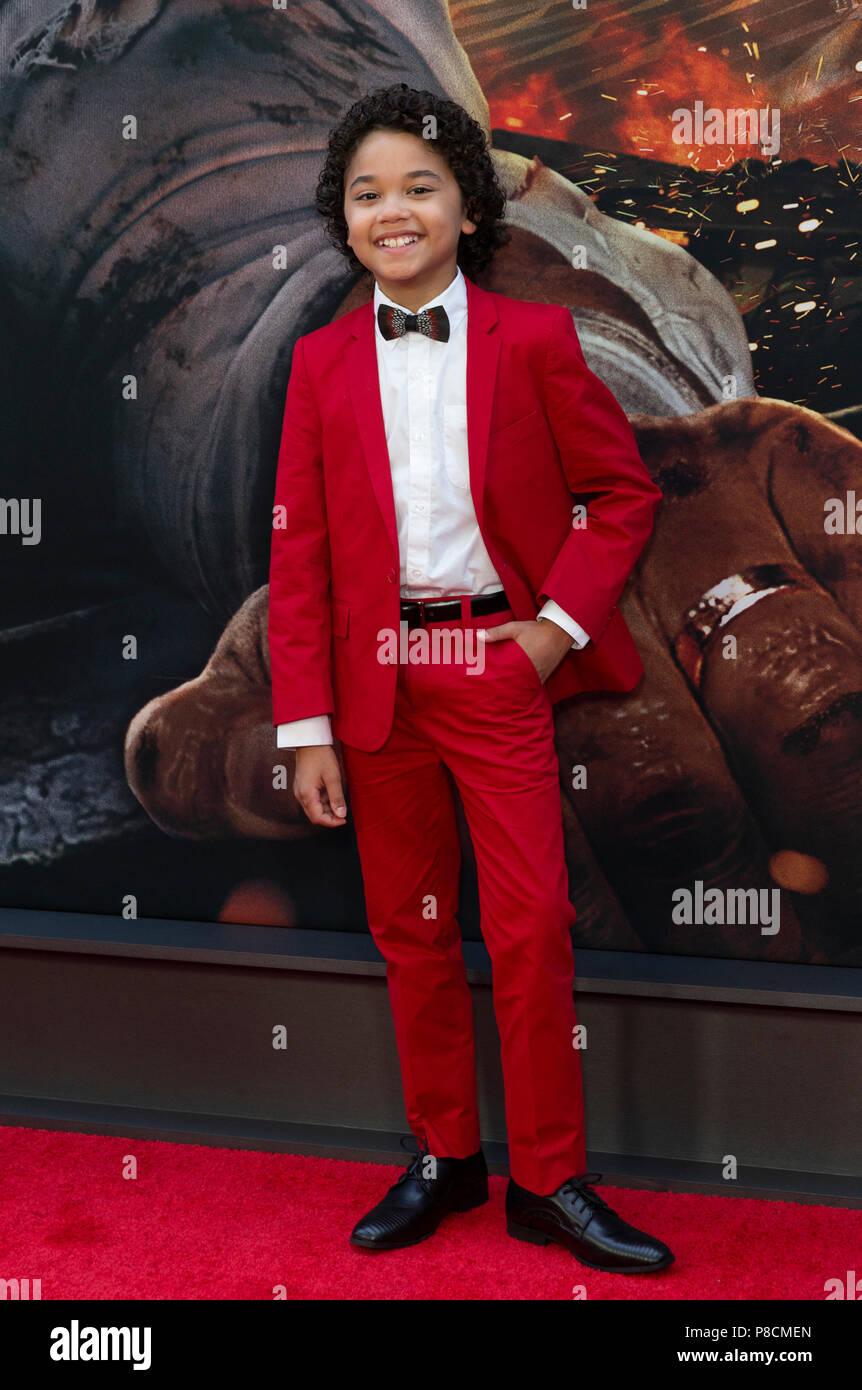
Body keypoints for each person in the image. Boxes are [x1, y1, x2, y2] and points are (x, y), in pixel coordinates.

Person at [268, 82, 673, 1273]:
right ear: (344, 219)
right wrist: (305, 726)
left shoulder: (535, 340)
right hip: (372, 682)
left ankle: (549, 1179)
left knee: (535, 926)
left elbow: (621, 496)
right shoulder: (316, 362)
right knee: (410, 931)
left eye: (418, 187)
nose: (392, 211)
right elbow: (295, 551)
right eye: (366, 193)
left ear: (466, 206)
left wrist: (551, 629)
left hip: (492, 662)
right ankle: (445, 1157)